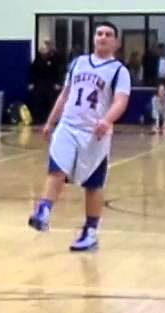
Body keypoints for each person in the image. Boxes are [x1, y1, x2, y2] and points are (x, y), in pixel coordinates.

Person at [27, 22, 131, 252]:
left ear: (116, 42)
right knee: (57, 168)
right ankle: (44, 210)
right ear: (93, 38)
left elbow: (121, 101)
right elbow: (65, 95)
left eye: (108, 34)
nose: (103, 37)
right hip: (68, 126)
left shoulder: (119, 71)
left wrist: (107, 120)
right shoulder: (78, 63)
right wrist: (50, 122)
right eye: (99, 33)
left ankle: (90, 232)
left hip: (95, 133)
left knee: (93, 184)